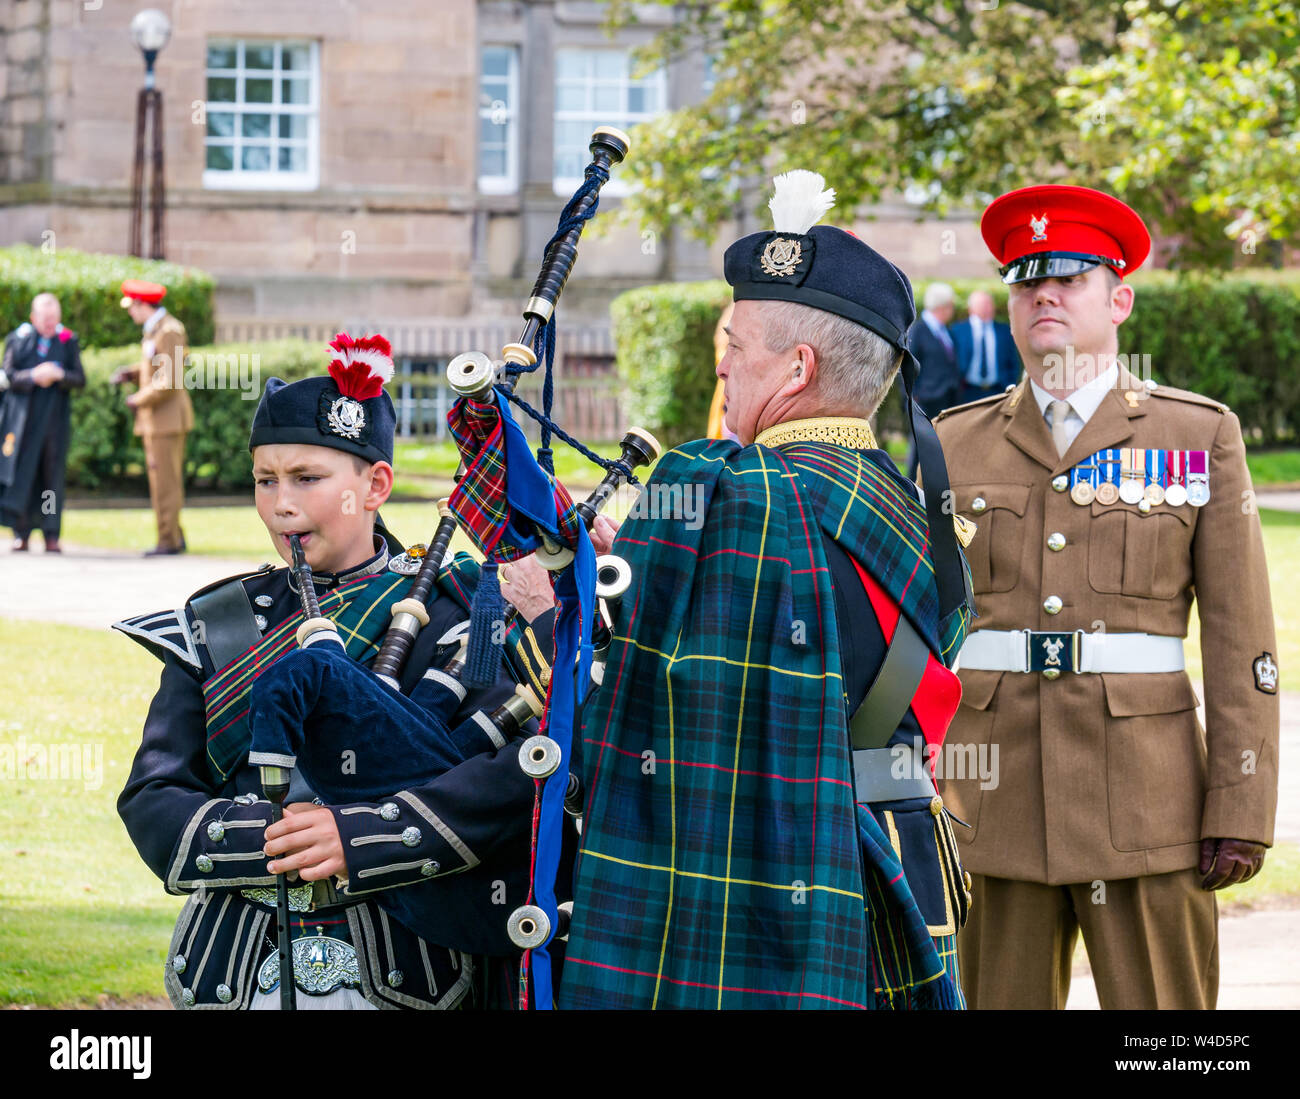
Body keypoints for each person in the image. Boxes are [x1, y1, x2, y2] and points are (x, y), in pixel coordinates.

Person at [559, 171, 974, 1010]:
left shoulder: (728, 494)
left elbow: (618, 696)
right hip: (902, 874)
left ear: (795, 369)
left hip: (765, 888)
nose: (722, 366)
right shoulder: (915, 503)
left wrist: (547, 601)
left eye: (736, 348)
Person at [115, 333, 560, 1010]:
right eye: (265, 480)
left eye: (307, 478)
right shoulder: (218, 620)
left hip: (413, 970)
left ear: (375, 485)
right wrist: (277, 836)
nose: (281, 504)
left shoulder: (460, 611)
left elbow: (508, 782)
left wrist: (361, 837)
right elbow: (154, 797)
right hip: (238, 965)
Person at [932, 184, 1279, 1010]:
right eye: (1024, 280)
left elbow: (1243, 640)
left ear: (1119, 298)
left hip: (1147, 802)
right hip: (992, 803)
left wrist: (1241, 797)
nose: (1043, 294)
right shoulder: (950, 443)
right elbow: (919, 633)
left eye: (1069, 276)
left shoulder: (1195, 436)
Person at [112, 280, 192, 556]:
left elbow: (170, 377)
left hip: (165, 419)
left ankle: (168, 540)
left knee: (165, 483)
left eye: (132, 307)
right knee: (163, 480)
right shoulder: (158, 329)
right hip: (159, 419)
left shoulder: (168, 331)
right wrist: (133, 373)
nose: (130, 313)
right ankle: (173, 536)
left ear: (143, 305)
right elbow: (157, 366)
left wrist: (138, 398)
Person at [0, 293, 85, 552]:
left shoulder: (67, 341)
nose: (50, 324)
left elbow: (79, 379)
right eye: (45, 319)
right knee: (23, 477)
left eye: (54, 318)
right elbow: (8, 376)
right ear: (33, 318)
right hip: (23, 422)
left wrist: (60, 374)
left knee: (51, 479)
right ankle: (22, 532)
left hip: (53, 424)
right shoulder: (19, 340)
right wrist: (34, 376)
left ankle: (51, 534)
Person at [905, 281, 959, 478]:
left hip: (945, 399)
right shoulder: (918, 330)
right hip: (924, 401)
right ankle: (910, 494)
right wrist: (914, 397)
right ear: (942, 307)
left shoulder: (944, 330)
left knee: (937, 448)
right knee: (919, 449)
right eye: (950, 306)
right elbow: (906, 366)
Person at [952, 290, 1021, 404]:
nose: (989, 308)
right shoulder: (958, 331)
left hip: (998, 390)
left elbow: (1013, 361)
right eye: (984, 305)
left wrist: (1010, 384)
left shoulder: (1004, 331)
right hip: (968, 392)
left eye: (990, 304)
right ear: (971, 308)